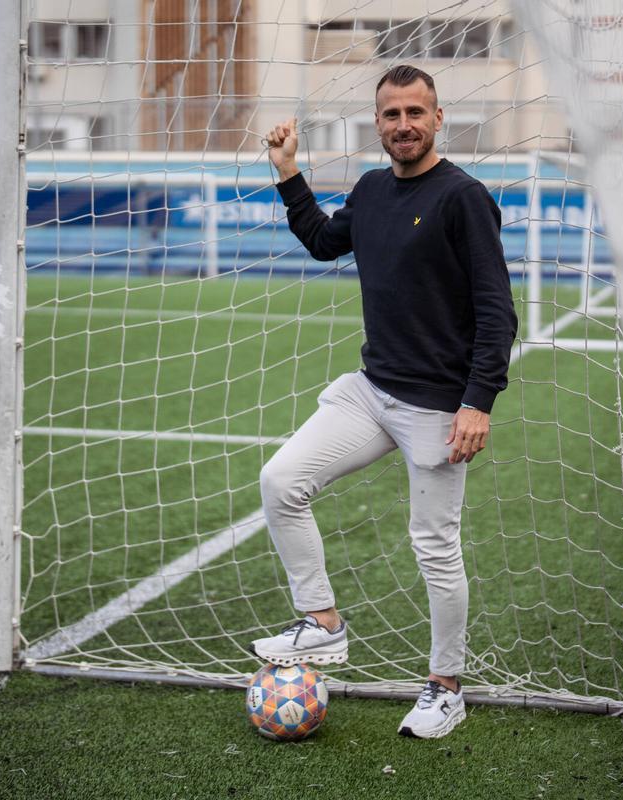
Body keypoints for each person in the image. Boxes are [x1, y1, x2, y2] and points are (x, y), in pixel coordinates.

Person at [249, 64, 517, 739]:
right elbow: (322, 242)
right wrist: (288, 171)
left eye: (415, 113)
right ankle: (321, 622)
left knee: (434, 548)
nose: (404, 125)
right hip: (371, 391)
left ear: (438, 118)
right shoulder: (371, 189)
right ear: (378, 123)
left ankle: (445, 688)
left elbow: (496, 311)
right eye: (392, 114)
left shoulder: (463, 197)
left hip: (437, 408)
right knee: (281, 480)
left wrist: (478, 401)